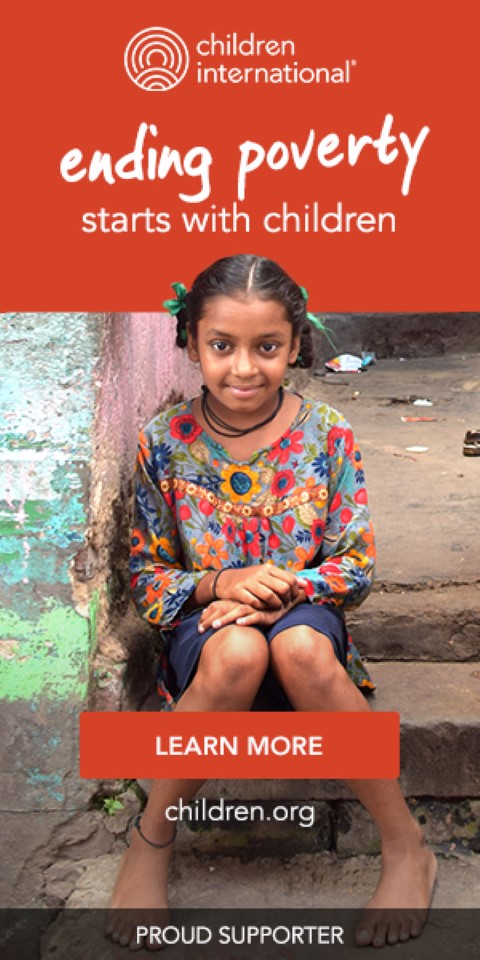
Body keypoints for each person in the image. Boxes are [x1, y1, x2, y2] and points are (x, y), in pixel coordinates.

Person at [107, 254, 436, 949]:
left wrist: (284, 588)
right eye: (222, 347)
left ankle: (406, 846)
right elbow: (145, 571)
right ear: (191, 342)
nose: (244, 369)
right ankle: (150, 841)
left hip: (303, 619)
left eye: (268, 347)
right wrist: (220, 584)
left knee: (297, 644)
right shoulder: (164, 444)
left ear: (295, 345)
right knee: (234, 649)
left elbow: (355, 563)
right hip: (211, 633)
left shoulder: (326, 434)